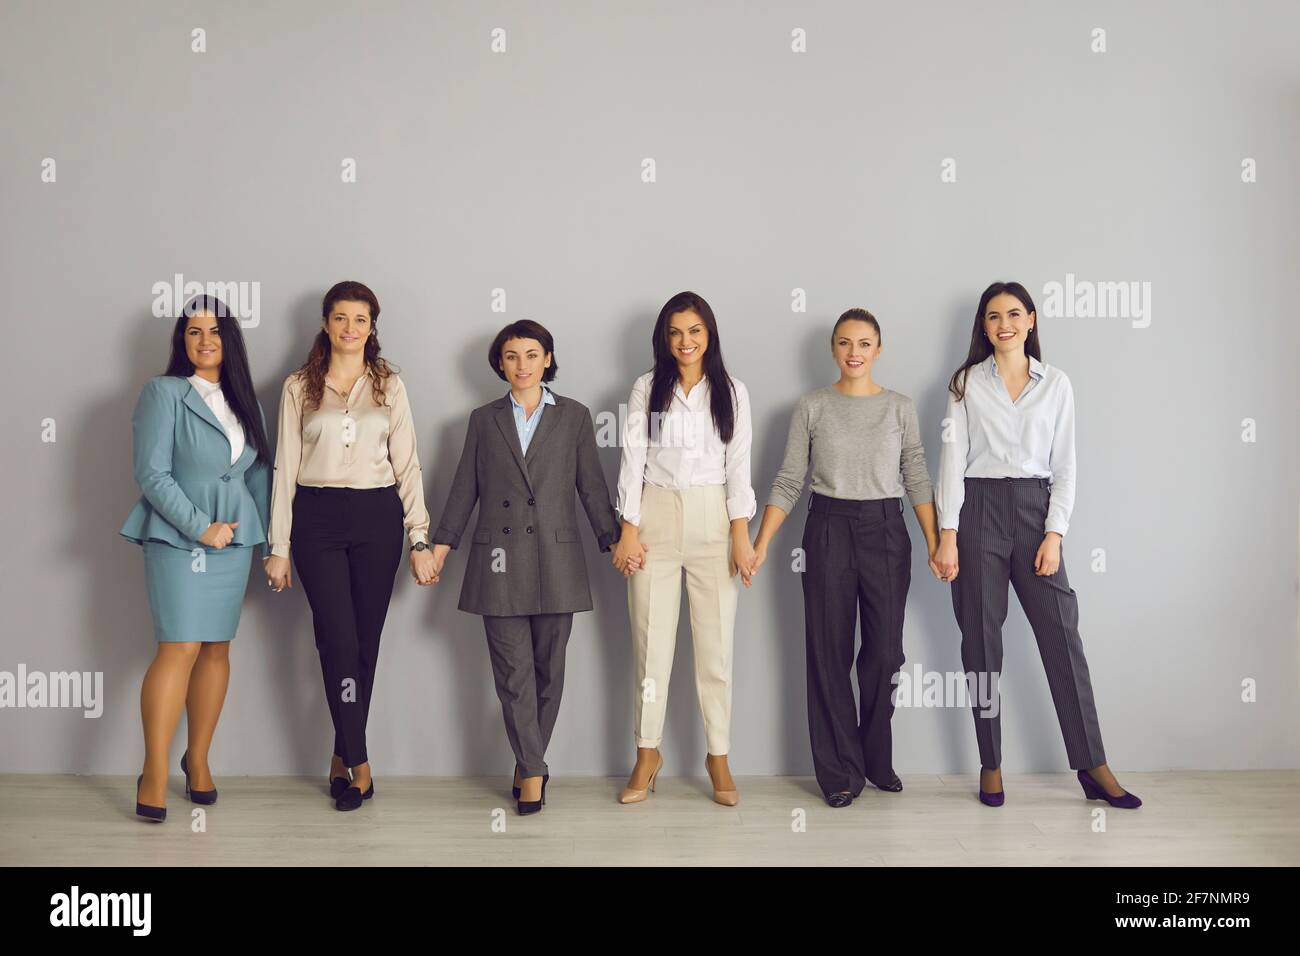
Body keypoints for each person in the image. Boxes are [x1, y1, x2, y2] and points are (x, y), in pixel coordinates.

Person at [933, 281, 1141, 809]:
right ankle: (991, 764)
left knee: (1063, 640)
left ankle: (1093, 765)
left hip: (1034, 511)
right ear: (983, 325)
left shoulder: (1057, 384)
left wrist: (1055, 533)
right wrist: (948, 535)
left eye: (1014, 313)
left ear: (1030, 321)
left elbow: (1066, 464)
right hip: (977, 511)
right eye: (993, 315)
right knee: (980, 643)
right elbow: (951, 463)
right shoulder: (963, 383)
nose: (1004, 323)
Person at [751, 308, 940, 807]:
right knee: (828, 652)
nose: (853, 352)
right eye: (844, 343)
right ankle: (838, 771)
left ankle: (875, 755)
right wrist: (761, 541)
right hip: (828, 528)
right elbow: (790, 478)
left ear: (879, 349)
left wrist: (936, 542)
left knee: (884, 654)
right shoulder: (812, 406)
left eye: (863, 343)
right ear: (833, 349)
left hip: (886, 529)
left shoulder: (900, 407)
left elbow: (917, 475)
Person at [430, 320, 620, 815]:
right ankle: (534, 770)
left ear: (548, 359)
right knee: (512, 674)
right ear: (500, 363)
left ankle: (525, 758)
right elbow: (463, 490)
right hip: (499, 562)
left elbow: (592, 488)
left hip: (557, 558)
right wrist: (440, 546)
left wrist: (614, 542)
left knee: (548, 673)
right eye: (512, 356)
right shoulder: (482, 419)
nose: (522, 365)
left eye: (532, 355)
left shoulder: (575, 416)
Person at [264, 281, 436, 811]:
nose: (350, 328)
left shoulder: (390, 384)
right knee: (335, 639)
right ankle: (361, 765)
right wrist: (279, 545)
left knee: (365, 644)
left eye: (360, 319)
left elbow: (407, 463)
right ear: (325, 322)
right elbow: (284, 467)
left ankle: (342, 755)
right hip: (315, 518)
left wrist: (421, 537)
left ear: (372, 327)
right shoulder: (298, 386)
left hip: (377, 517)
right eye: (340, 317)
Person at [120, 294, 272, 822]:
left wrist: (275, 546)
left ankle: (198, 760)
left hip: (233, 543)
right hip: (179, 538)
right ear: (181, 341)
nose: (204, 341)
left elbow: (257, 477)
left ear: (230, 341)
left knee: (215, 649)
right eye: (193, 332)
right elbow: (152, 473)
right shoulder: (163, 393)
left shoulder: (244, 401)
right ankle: (154, 771)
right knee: (178, 647)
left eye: (214, 332)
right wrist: (200, 527)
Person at [612, 291, 756, 806]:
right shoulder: (647, 388)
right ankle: (648, 752)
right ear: (663, 338)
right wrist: (628, 528)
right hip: (654, 516)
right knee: (651, 647)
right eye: (675, 332)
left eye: (694, 331)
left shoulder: (732, 392)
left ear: (709, 334)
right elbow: (633, 459)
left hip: (714, 517)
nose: (685, 341)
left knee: (715, 648)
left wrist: (741, 534)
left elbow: (738, 466)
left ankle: (718, 754)